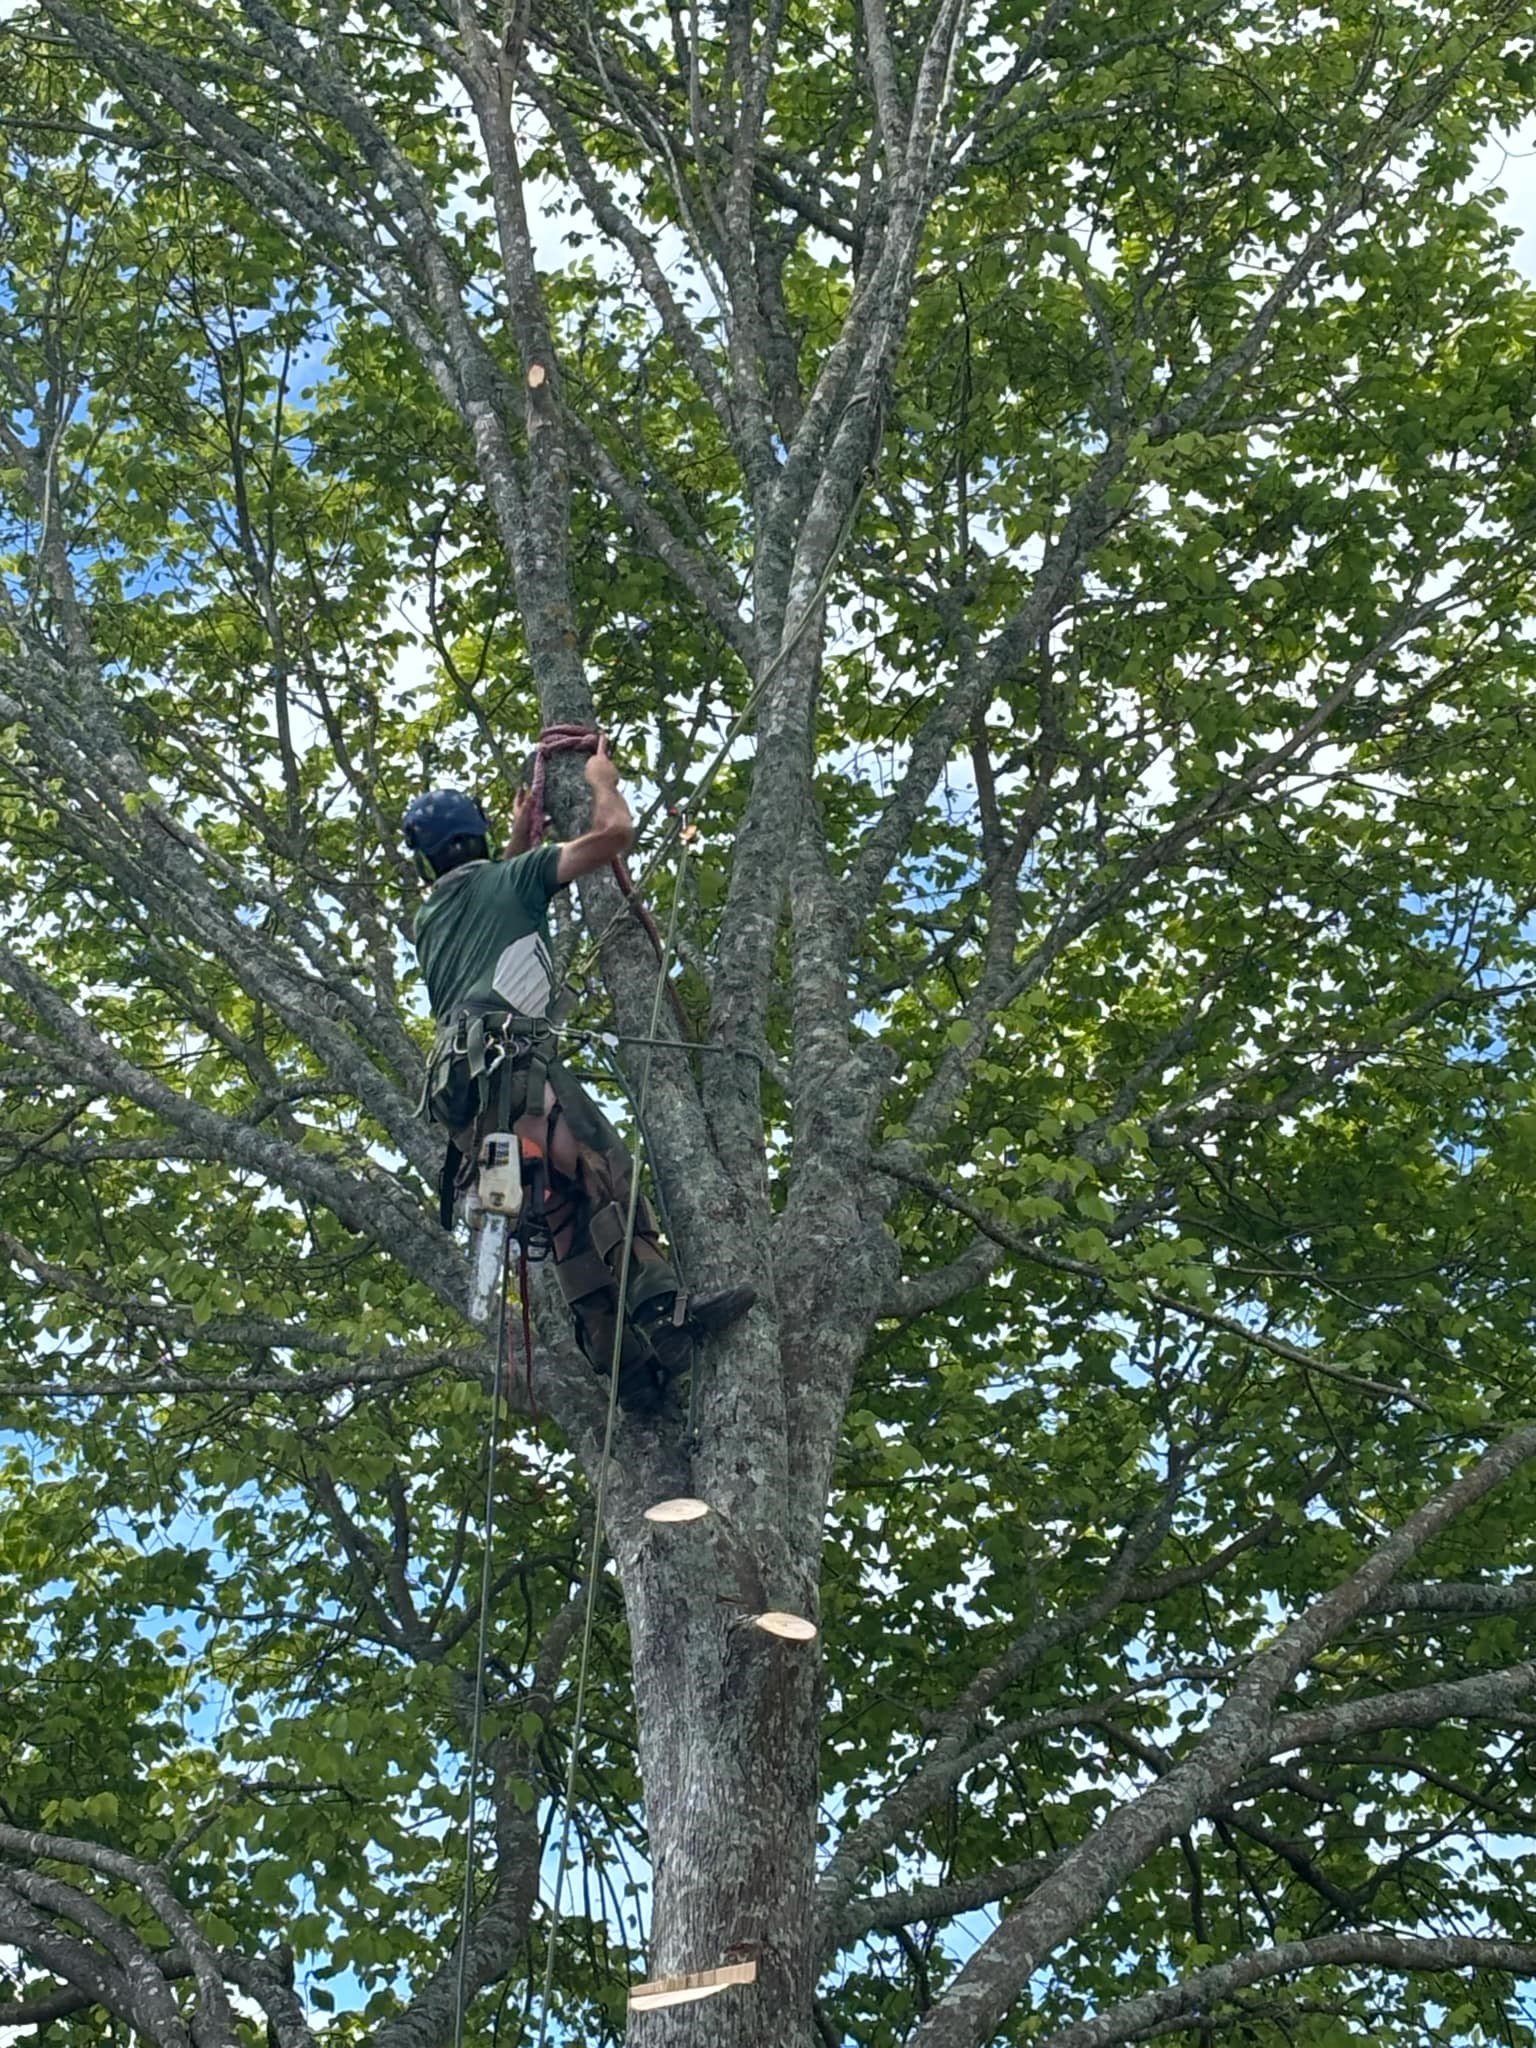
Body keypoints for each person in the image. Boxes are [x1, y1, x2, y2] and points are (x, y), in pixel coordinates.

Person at [404, 741, 753, 1414]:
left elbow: (492, 891)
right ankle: (662, 1315)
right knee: (601, 1173)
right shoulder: (516, 879)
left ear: (427, 861)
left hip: (466, 1094)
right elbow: (614, 836)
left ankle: (624, 1370)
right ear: (477, 839)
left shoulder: (431, 918)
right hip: (512, 1059)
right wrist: (601, 779)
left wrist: (517, 835)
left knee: (561, 1207)